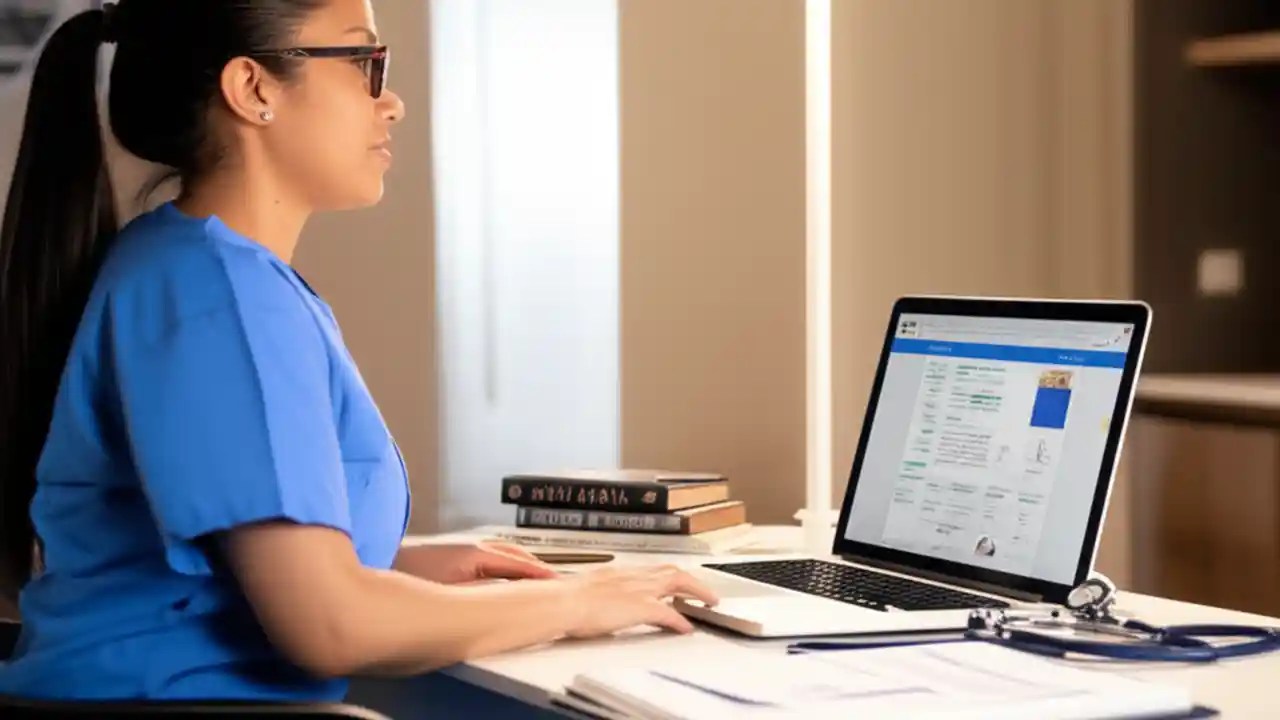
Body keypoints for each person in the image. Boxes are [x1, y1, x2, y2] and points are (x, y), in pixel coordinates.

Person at [0, 0, 717, 703]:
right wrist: (579, 602)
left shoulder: (183, 265)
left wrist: (393, 565)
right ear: (253, 89)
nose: (392, 103)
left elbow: (212, 564)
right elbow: (330, 627)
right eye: (365, 62)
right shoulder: (225, 297)